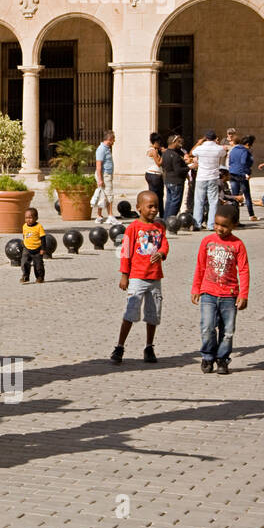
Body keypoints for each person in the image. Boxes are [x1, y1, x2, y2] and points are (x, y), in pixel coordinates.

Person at [111, 190, 168, 365]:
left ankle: (149, 346)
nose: (154, 210)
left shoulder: (159, 227)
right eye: (150, 206)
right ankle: (120, 346)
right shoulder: (132, 228)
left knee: (153, 315)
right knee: (131, 312)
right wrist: (124, 275)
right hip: (137, 277)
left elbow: (165, 244)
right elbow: (126, 252)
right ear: (138, 208)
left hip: (154, 277)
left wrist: (161, 253)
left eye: (156, 206)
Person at [192, 204, 249, 375]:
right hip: (208, 293)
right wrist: (196, 288)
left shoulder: (238, 245)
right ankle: (208, 356)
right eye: (216, 224)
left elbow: (244, 270)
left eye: (224, 226)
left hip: (229, 295)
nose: (219, 229)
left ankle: (222, 359)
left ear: (234, 225)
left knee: (228, 331)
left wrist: (243, 294)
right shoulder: (207, 241)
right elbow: (200, 266)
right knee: (207, 327)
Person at [191, 130, 226, 231]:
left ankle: (197, 223)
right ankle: (211, 224)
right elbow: (223, 153)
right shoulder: (218, 148)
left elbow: (192, 152)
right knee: (213, 201)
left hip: (201, 177)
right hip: (213, 177)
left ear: (206, 138)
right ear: (215, 138)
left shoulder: (200, 148)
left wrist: (199, 142)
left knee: (199, 201)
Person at [226, 134, 257, 221]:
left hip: (232, 173)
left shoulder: (233, 150)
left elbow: (230, 161)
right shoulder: (245, 151)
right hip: (242, 175)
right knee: (247, 195)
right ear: (247, 144)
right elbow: (244, 162)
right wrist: (247, 173)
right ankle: (251, 215)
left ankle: (235, 218)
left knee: (235, 196)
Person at [92, 130, 115, 223]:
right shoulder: (101, 149)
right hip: (104, 175)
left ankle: (99, 216)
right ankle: (110, 216)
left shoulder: (106, 148)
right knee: (109, 195)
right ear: (109, 139)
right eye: (113, 139)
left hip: (106, 175)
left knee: (103, 195)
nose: (114, 141)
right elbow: (98, 165)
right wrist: (100, 179)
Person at [20, 207, 46, 284]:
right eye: (26, 218)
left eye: (30, 218)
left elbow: (43, 238)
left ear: (36, 218)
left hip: (37, 249)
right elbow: (24, 236)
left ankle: (40, 277)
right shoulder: (24, 226)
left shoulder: (39, 227)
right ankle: (25, 276)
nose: (28, 220)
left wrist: (43, 249)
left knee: (38, 265)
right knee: (24, 263)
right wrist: (24, 245)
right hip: (27, 248)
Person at [144, 132, 165, 203]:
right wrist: (163, 154)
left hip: (150, 174)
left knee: (153, 194)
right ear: (156, 142)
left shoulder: (150, 150)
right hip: (155, 175)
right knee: (158, 195)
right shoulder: (153, 151)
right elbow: (158, 163)